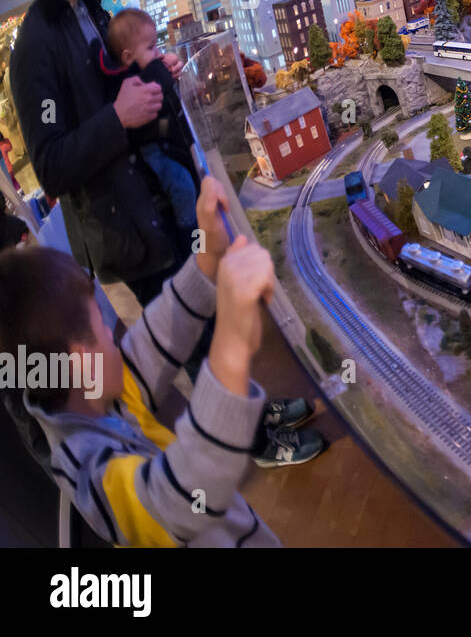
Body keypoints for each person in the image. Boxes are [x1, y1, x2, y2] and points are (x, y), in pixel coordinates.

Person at [0, 177, 325, 547]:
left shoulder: (95, 396)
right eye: (100, 325)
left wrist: (206, 258)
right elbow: (182, 499)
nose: (111, 334)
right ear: (81, 360)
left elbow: (157, 335)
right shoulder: (89, 472)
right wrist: (230, 354)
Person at [9, 0, 190, 309]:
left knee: (207, 320)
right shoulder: (35, 46)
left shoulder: (93, 14)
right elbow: (52, 166)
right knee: (192, 337)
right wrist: (118, 117)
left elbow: (114, 86)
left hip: (155, 212)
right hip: (126, 244)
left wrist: (152, 69)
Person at [100, 8, 198, 233]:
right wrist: (162, 69)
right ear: (127, 57)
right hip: (155, 150)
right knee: (182, 184)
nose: (158, 53)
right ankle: (189, 227)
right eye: (150, 48)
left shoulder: (147, 72)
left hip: (167, 143)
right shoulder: (132, 82)